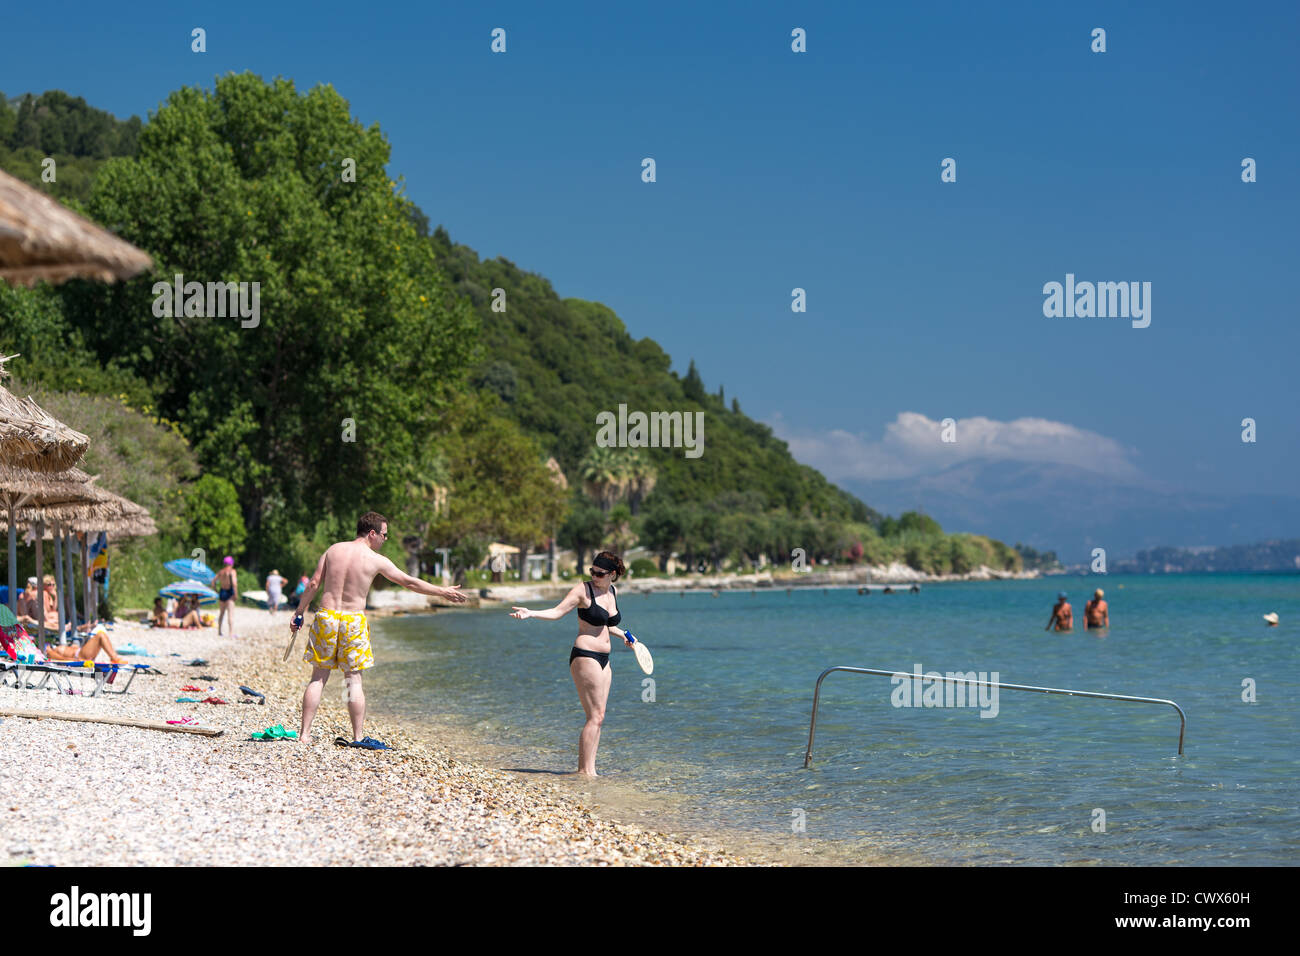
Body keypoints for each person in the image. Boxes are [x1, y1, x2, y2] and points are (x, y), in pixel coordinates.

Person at [290, 511, 465, 746]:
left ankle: (304, 735)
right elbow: (409, 582)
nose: (385, 539)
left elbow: (313, 583)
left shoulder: (333, 550)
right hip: (353, 621)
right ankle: (358, 737)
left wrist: (299, 612)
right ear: (372, 533)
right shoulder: (374, 560)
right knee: (353, 680)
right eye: (384, 535)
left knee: (318, 678)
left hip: (327, 617)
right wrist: (442, 591)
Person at [510, 551, 634, 776]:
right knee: (594, 716)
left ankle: (591, 771)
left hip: (606, 659)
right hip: (585, 654)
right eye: (592, 571)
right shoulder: (582, 590)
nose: (594, 576)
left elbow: (606, 624)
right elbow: (557, 612)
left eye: (600, 573)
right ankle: (584, 772)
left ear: (612, 575)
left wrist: (625, 634)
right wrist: (531, 613)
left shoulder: (613, 591)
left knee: (600, 716)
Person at [44, 623, 123, 664]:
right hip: (79, 656)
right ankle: (114, 658)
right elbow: (53, 657)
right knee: (100, 635)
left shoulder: (58, 646)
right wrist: (74, 660)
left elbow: (75, 629)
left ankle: (114, 658)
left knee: (101, 636)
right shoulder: (50, 650)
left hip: (81, 653)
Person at [215, 556, 238, 637]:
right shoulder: (233, 571)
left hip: (222, 592)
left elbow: (213, 582)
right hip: (229, 593)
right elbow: (234, 584)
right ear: (232, 563)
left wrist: (216, 590)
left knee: (221, 613)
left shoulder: (221, 572)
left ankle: (219, 631)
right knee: (230, 614)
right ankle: (231, 633)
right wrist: (236, 594)